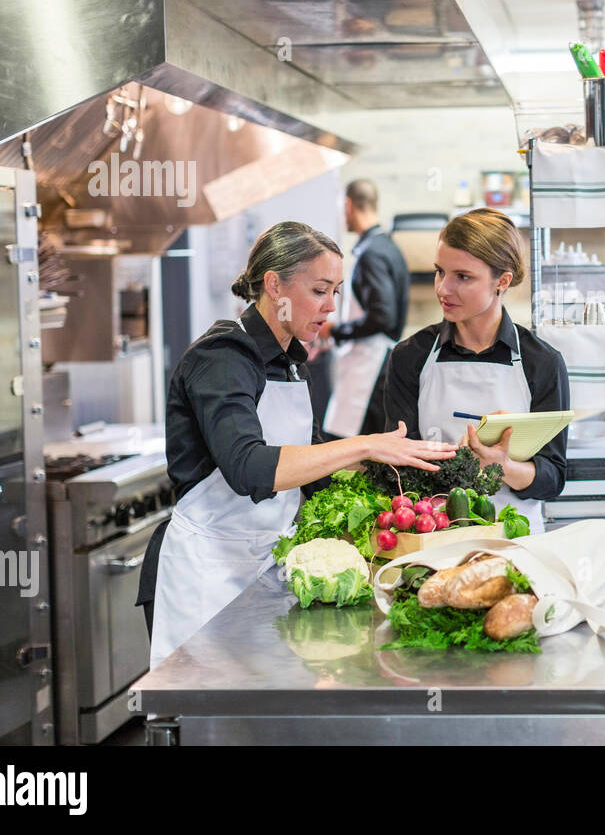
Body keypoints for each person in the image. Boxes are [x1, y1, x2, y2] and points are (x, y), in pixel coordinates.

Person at [140, 221, 454, 667]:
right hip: (206, 575)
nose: (331, 308)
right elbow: (250, 469)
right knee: (213, 725)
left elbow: (313, 472)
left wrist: (402, 475)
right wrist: (364, 446)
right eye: (320, 290)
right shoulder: (223, 357)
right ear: (274, 284)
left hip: (269, 566)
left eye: (336, 292)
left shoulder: (291, 363)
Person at [383, 208, 569, 533]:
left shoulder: (543, 363)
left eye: (463, 277)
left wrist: (503, 467)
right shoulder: (409, 357)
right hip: (433, 540)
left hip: (516, 541)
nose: (443, 289)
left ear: (502, 281)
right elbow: (397, 470)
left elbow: (552, 478)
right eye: (440, 272)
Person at [320, 179, 410, 438]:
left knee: (360, 453)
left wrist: (336, 330)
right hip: (373, 363)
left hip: (370, 367)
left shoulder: (372, 254)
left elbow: (382, 316)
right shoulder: (387, 247)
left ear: (348, 205)